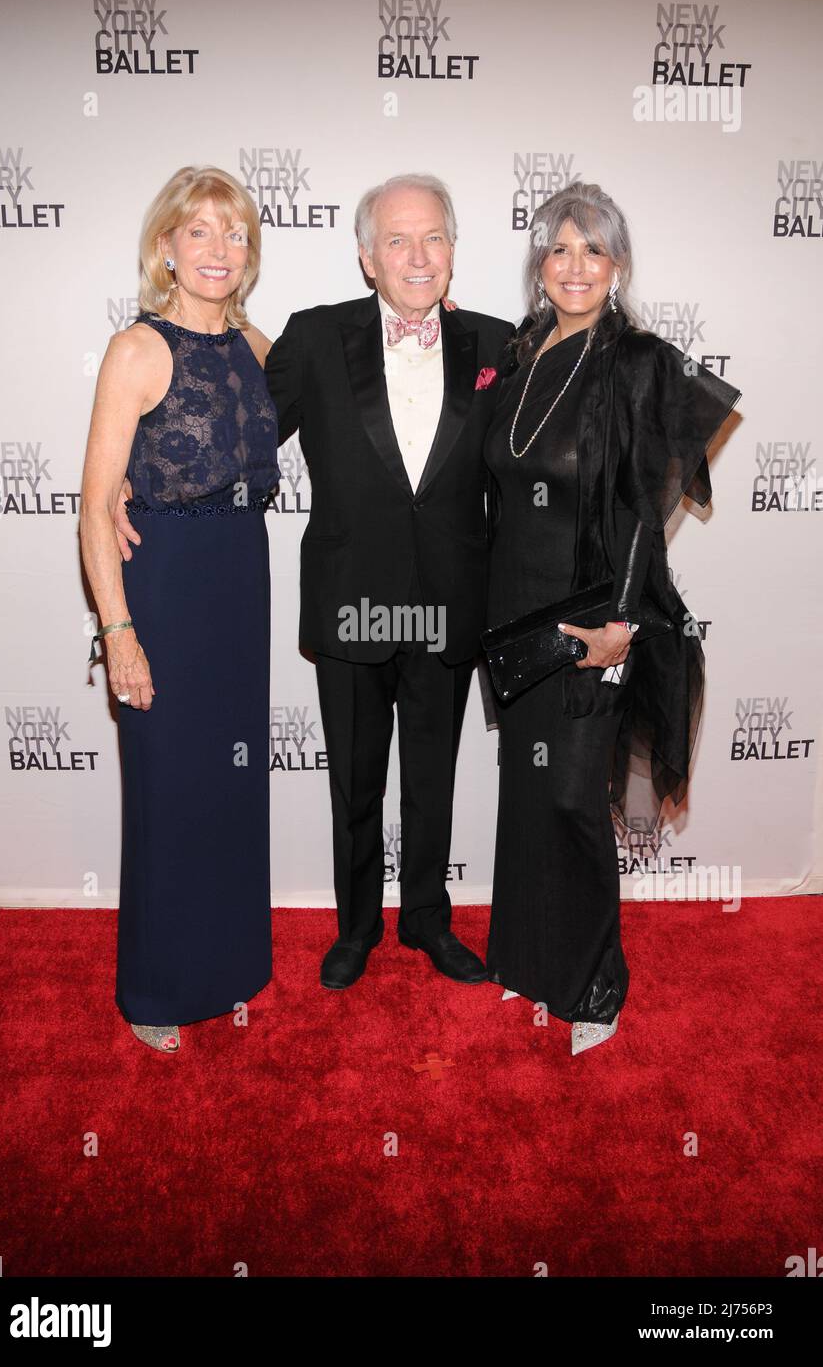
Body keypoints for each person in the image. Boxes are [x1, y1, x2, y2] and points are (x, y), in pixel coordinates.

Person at [483, 182, 740, 1054]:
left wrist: (621, 625)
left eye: (593, 250)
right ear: (539, 264)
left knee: (571, 799)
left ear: (618, 264)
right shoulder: (519, 354)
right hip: (513, 607)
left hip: (590, 614)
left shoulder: (638, 363)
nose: (575, 266)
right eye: (558, 249)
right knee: (527, 793)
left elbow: (642, 510)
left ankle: (594, 984)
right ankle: (527, 960)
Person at [264, 173, 514, 989]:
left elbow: (539, 458)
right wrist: (136, 470)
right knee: (355, 781)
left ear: (452, 252)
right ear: (367, 258)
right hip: (351, 600)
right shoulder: (312, 336)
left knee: (432, 780)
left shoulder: (496, 344)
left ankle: (427, 921)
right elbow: (242, 435)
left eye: (433, 237)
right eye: (398, 240)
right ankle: (356, 927)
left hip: (448, 602)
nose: (417, 255)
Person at [80, 165, 280, 1052]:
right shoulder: (137, 348)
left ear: (250, 253)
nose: (217, 249)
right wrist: (118, 631)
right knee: (166, 786)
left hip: (243, 579)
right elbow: (93, 506)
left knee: (229, 784)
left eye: (232, 234)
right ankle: (158, 986)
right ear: (166, 246)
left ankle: (230, 965)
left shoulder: (259, 347)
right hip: (166, 585)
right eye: (198, 231)